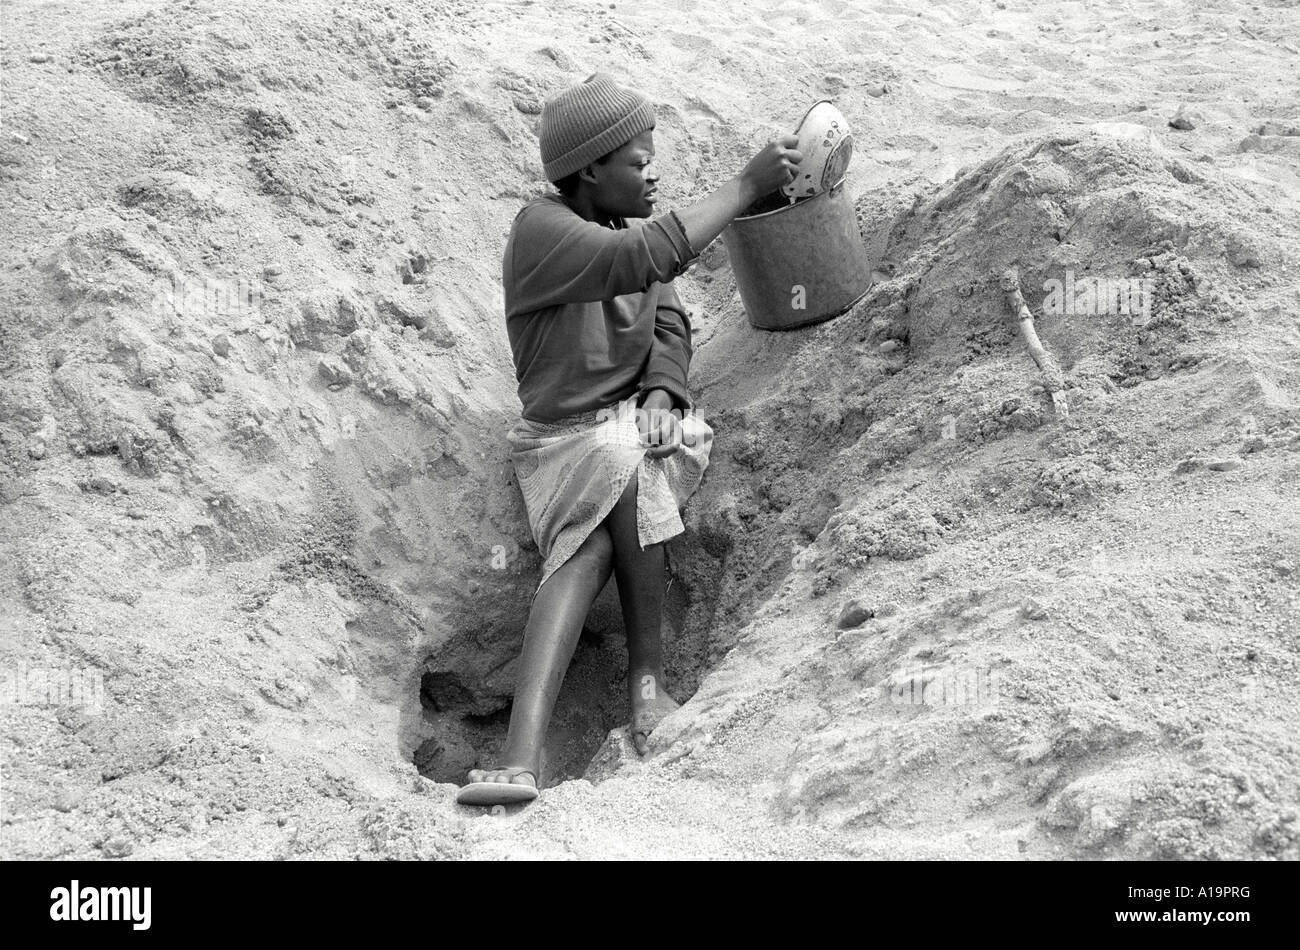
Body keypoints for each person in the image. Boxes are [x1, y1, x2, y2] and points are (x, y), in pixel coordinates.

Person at [456, 72, 801, 806]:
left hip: (625, 424)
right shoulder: (543, 232)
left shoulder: (620, 234)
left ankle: (541, 750)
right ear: (589, 169)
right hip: (559, 440)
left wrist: (661, 391)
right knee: (621, 473)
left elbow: (669, 320)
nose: (653, 175)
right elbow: (644, 260)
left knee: (607, 516)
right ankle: (633, 695)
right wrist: (743, 186)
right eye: (639, 164)